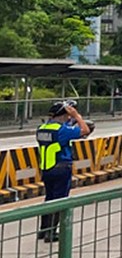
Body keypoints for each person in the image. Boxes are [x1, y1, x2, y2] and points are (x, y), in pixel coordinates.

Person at [36, 100, 90, 243]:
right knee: (60, 201)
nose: (68, 117)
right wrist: (77, 116)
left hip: (46, 168)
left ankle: (43, 230)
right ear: (63, 115)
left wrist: (70, 121)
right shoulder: (62, 131)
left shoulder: (41, 128)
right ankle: (51, 233)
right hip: (61, 167)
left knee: (49, 198)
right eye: (67, 115)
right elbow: (85, 130)